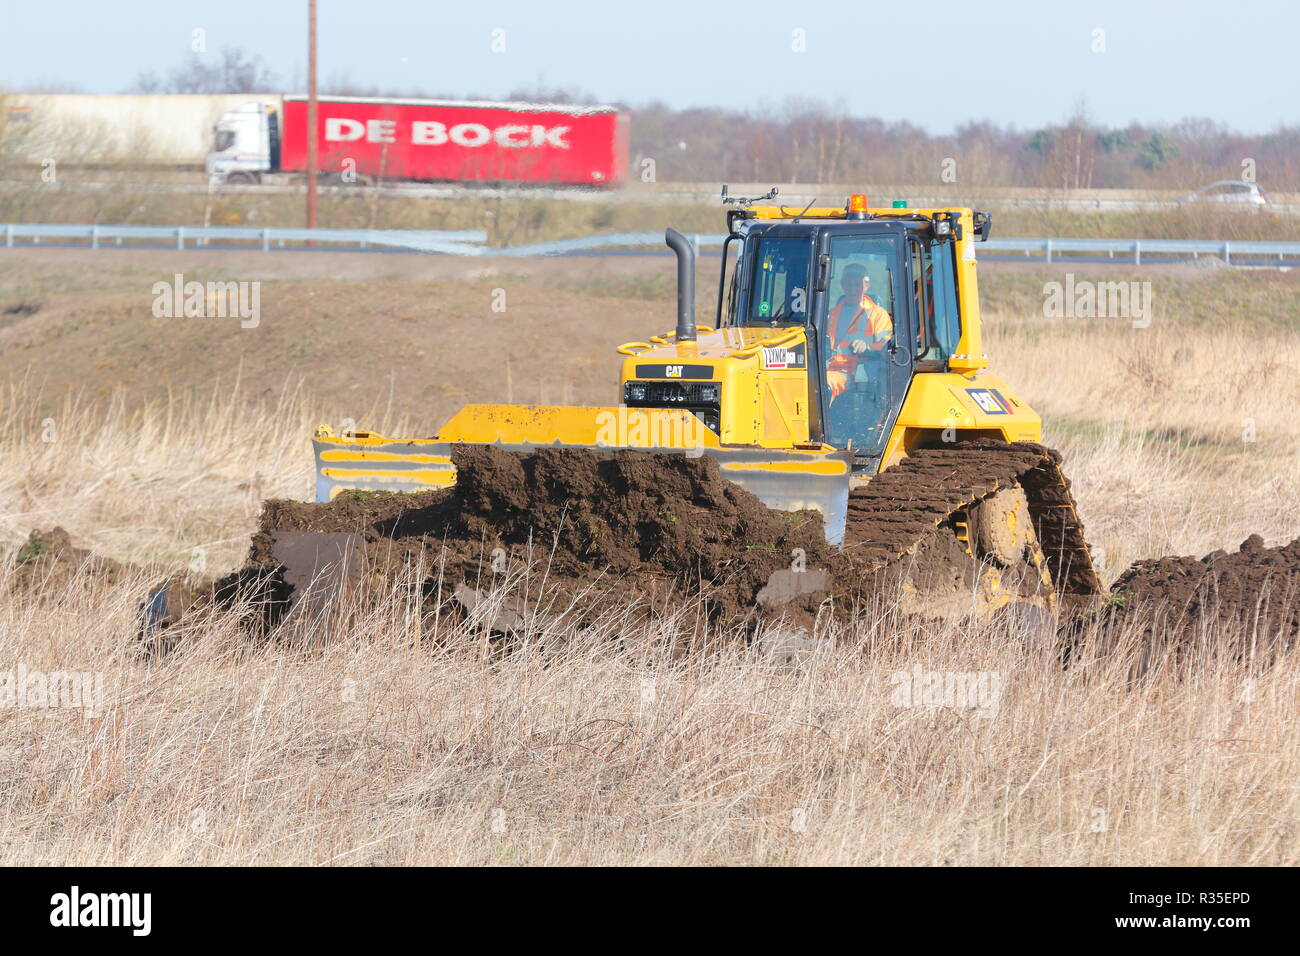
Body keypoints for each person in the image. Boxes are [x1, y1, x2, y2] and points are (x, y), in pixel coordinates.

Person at [826, 264, 893, 401]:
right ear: (842, 285)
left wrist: (867, 346)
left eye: (857, 284)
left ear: (866, 286)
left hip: (857, 372)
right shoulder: (831, 314)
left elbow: (886, 346)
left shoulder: (878, 314)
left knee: (822, 384)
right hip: (829, 366)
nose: (853, 289)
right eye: (849, 284)